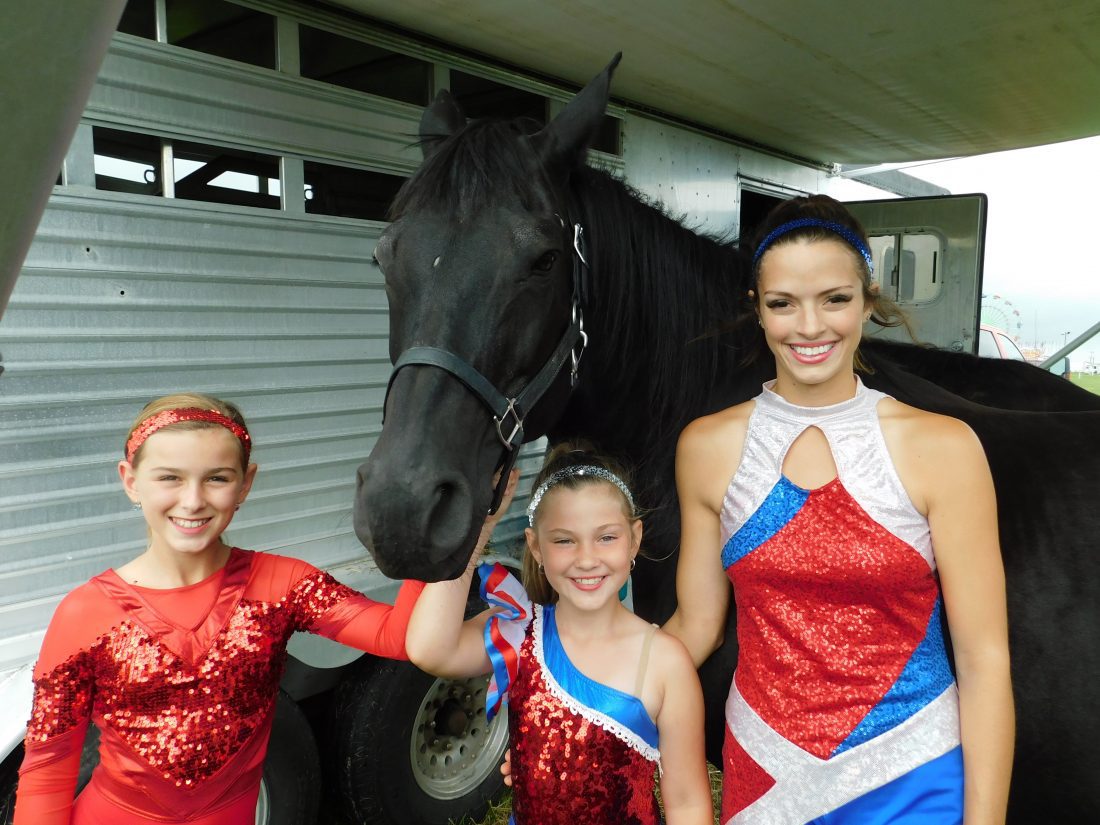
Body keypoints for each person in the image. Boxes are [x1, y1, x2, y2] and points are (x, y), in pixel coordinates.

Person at [664, 195, 1014, 824]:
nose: (809, 326)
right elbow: (695, 626)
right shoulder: (707, 448)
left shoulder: (945, 448)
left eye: (834, 298)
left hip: (912, 774)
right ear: (757, 310)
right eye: (782, 303)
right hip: (765, 777)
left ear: (867, 299)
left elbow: (984, 659)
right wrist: (573, 690)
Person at [14, 393, 427, 825]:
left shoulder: (282, 584)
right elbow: (48, 768)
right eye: (169, 477)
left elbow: (401, 636)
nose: (192, 501)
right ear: (131, 480)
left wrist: (459, 529)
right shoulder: (84, 612)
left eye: (216, 478)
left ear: (245, 483)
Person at [406, 445, 713, 825]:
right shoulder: (520, 632)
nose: (586, 559)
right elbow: (428, 649)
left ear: (634, 538)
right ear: (535, 546)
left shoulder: (667, 662)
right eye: (564, 540)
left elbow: (687, 802)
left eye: (606, 537)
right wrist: (479, 528)